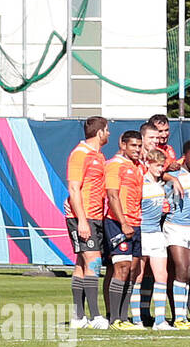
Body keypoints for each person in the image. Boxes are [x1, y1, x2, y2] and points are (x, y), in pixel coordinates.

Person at [65, 116, 109, 328]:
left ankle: (78, 316)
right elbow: (74, 188)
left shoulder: (99, 156)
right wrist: (81, 220)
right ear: (100, 132)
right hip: (84, 217)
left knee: (82, 264)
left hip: (96, 216)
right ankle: (95, 316)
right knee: (93, 261)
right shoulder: (79, 154)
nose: (109, 134)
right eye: (107, 130)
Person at [103, 130, 144, 329]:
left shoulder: (137, 167)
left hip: (136, 224)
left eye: (139, 145)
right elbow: (112, 196)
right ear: (123, 145)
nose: (137, 149)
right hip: (118, 224)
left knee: (133, 271)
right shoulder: (114, 165)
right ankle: (114, 318)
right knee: (121, 269)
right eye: (133, 146)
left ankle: (124, 317)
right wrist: (124, 222)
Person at [164, 141, 190, 328]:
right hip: (174, 227)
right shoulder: (173, 173)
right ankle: (178, 317)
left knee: (188, 273)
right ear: (185, 156)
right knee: (179, 270)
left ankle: (184, 317)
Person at [136, 152, 172, 329]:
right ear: (148, 163)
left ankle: (160, 319)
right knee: (139, 275)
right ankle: (136, 320)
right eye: (157, 165)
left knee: (162, 275)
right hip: (143, 233)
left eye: (162, 166)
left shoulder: (161, 184)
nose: (160, 169)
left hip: (157, 233)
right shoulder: (142, 182)